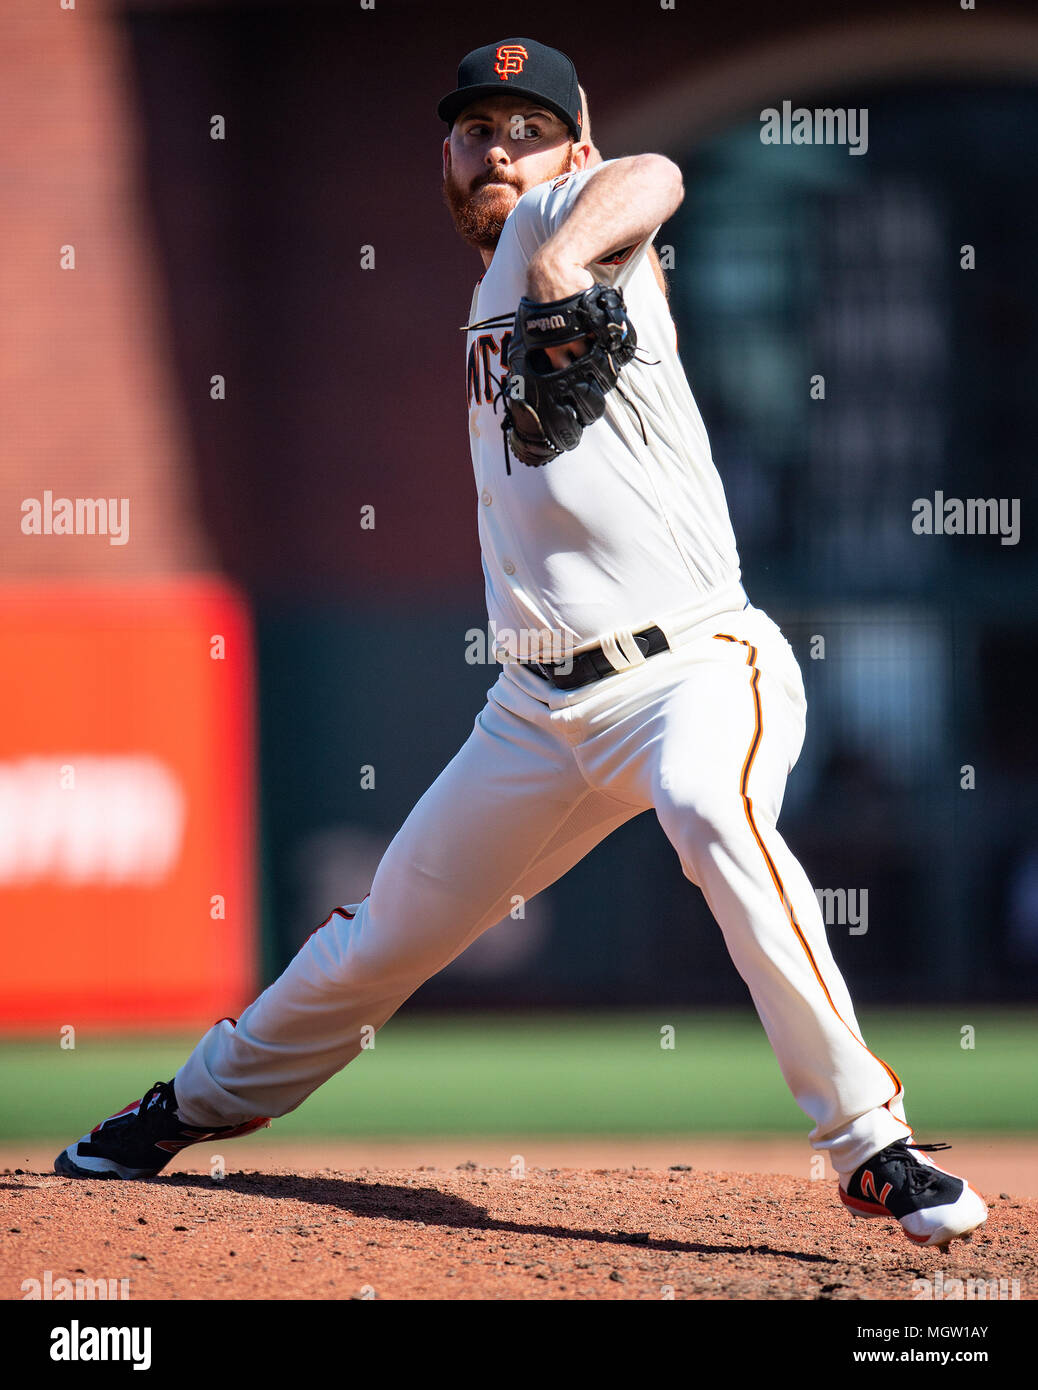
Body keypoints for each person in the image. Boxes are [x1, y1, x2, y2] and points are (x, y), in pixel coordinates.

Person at [56, 37, 986, 1252]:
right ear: (444, 154)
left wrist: (559, 251)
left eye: (526, 125)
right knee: (382, 936)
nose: (498, 144)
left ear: (571, 149)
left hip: (694, 664)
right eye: (474, 126)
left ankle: (872, 1147)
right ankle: (182, 1108)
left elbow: (657, 172)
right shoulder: (494, 271)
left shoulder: (578, 223)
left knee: (712, 807)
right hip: (535, 712)